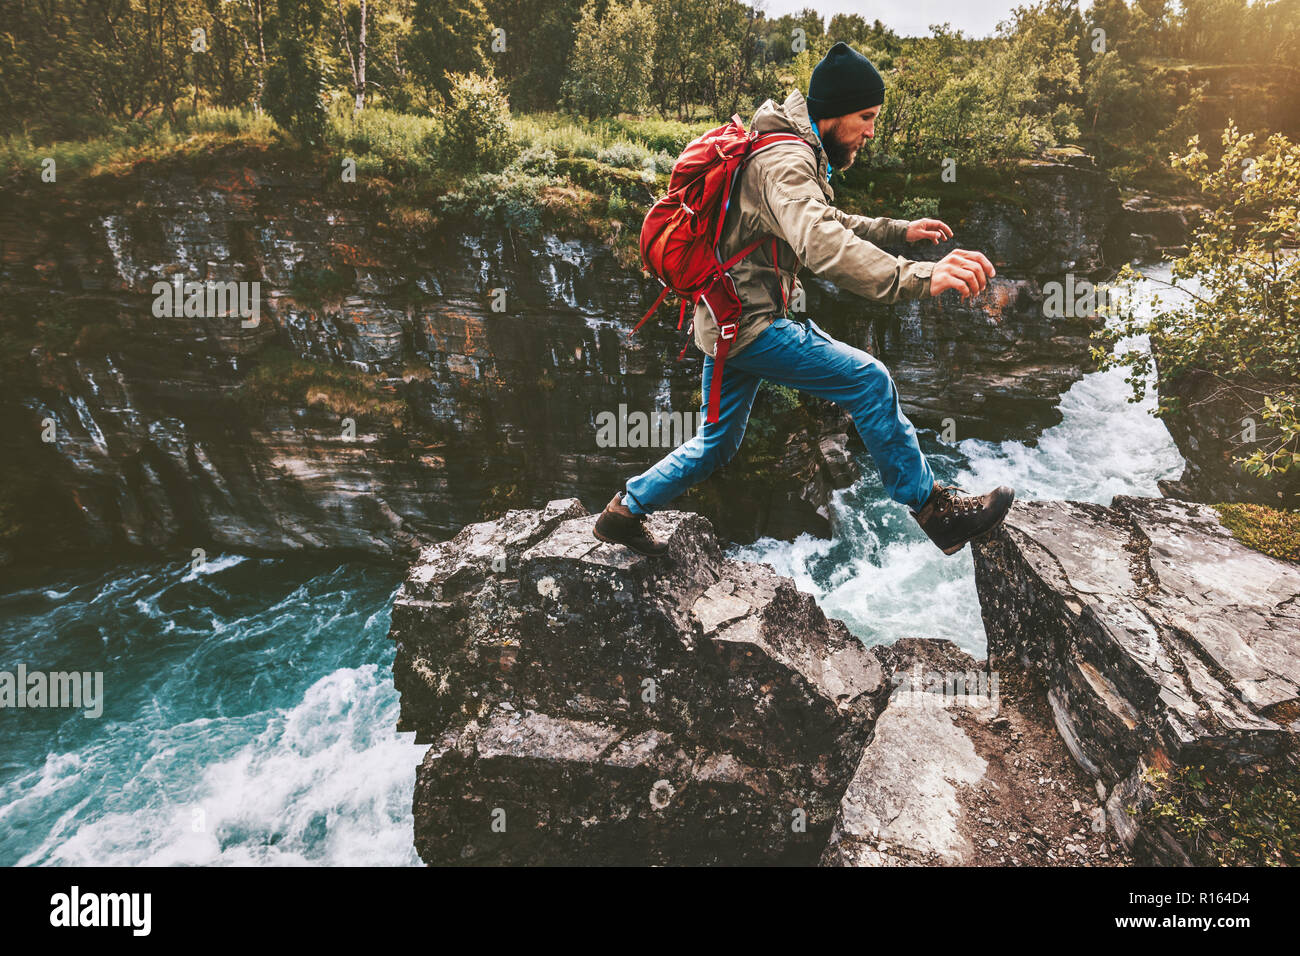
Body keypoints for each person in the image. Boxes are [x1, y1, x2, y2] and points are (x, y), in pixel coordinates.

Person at [594, 41, 1014, 558]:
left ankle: (624, 510)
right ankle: (935, 510)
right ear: (834, 112)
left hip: (722, 323)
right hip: (752, 327)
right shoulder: (788, 160)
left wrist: (899, 230)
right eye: (866, 116)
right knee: (870, 380)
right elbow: (820, 242)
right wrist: (921, 277)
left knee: (715, 444)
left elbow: (821, 219)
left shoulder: (785, 145)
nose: (871, 130)